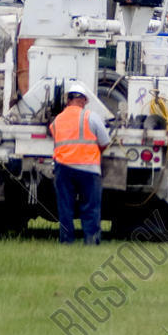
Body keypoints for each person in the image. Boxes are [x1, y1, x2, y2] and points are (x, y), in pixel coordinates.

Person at [49, 82, 109, 245]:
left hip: (63, 168)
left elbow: (55, 138)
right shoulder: (91, 117)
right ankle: (91, 240)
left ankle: (66, 241)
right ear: (83, 100)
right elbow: (104, 141)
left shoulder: (57, 120)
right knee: (90, 207)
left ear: (68, 100)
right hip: (89, 168)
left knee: (65, 207)